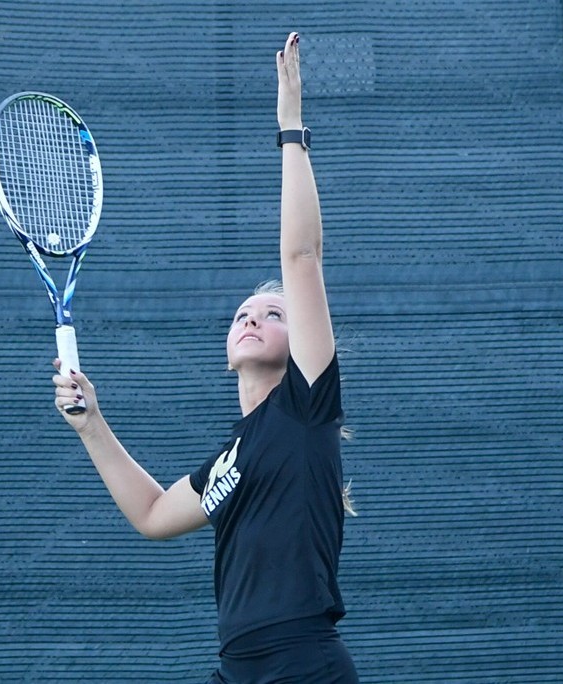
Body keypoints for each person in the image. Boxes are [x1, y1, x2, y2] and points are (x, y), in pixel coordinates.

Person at [51, 32, 359, 684]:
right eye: (243, 313)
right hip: (235, 668)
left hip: (301, 664)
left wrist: (290, 129)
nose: (252, 318)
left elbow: (301, 256)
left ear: (298, 344)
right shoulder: (232, 457)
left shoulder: (306, 408)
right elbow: (153, 515)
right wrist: (91, 425)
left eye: (273, 314)